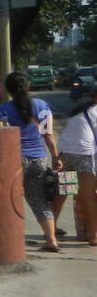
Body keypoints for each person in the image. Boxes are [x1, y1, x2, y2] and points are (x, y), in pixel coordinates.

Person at [0, 72, 62, 252]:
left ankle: (7, 241)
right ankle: (51, 240)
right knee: (39, 200)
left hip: (13, 161)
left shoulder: (2, 111)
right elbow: (48, 135)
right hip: (39, 158)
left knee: (8, 199)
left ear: (8, 90)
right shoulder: (42, 106)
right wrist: (55, 157)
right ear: (28, 86)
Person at [52, 92, 97, 245]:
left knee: (64, 193)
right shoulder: (95, 112)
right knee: (89, 198)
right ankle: (93, 236)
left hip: (65, 155)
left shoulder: (81, 112)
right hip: (82, 156)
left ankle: (50, 230)